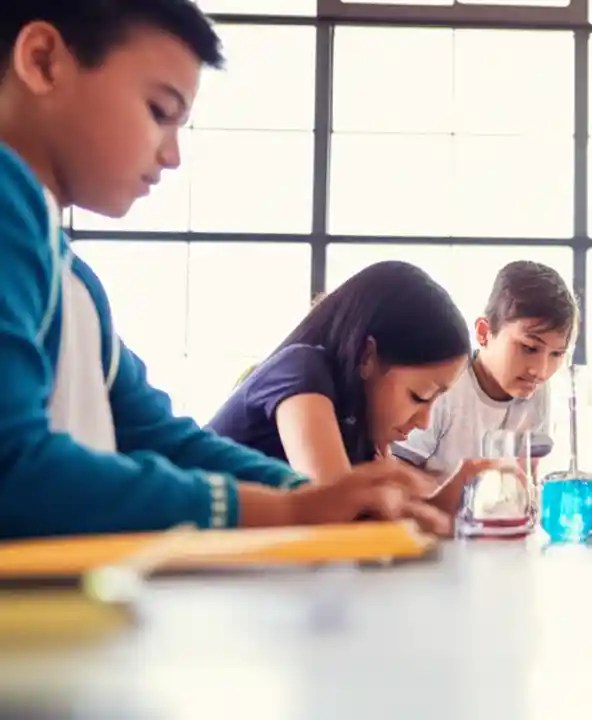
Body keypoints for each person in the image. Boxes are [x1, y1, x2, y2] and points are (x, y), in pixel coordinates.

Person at [0, 0, 446, 538]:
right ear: (44, 61)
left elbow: (156, 434)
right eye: (160, 112)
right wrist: (285, 511)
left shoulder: (70, 276)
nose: (172, 156)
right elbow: (13, 467)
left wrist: (317, 499)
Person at [208, 261, 478, 486]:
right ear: (367, 355)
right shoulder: (302, 371)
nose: (424, 422)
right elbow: (333, 511)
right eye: (419, 396)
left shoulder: (356, 424)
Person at [395, 261, 576, 510]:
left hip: (493, 531)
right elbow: (396, 471)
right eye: (529, 348)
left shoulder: (537, 389)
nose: (541, 371)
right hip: (431, 526)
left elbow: (528, 474)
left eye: (556, 354)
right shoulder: (447, 385)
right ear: (483, 333)